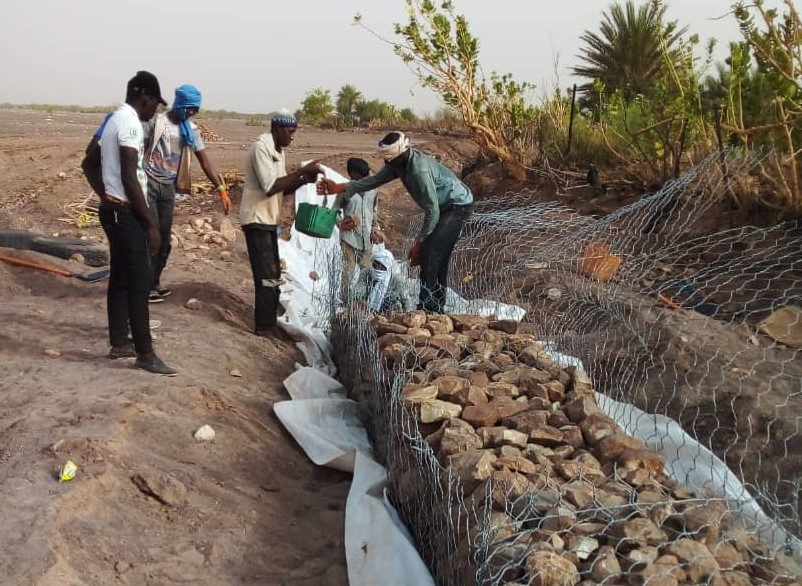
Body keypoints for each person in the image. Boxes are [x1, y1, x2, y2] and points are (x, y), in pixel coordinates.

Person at [81, 71, 177, 376]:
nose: (155, 111)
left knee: (121, 276)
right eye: (155, 104)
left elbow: (88, 162)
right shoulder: (131, 124)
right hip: (125, 213)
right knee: (139, 280)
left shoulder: (113, 119)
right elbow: (129, 177)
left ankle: (120, 342)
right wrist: (150, 224)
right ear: (144, 97)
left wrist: (106, 195)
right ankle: (146, 354)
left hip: (113, 209)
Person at [318, 131, 474, 313]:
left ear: (399, 155)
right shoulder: (398, 164)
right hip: (444, 206)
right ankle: (435, 305)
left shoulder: (419, 170)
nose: (387, 163)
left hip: (457, 205)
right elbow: (373, 181)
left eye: (389, 159)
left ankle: (429, 308)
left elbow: (433, 211)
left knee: (431, 252)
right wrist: (340, 187)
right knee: (436, 254)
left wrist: (419, 242)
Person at [144, 84, 231, 302]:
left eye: (195, 109)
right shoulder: (157, 122)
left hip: (168, 188)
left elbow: (205, 162)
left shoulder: (190, 130)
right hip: (149, 183)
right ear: (180, 104)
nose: (192, 112)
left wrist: (221, 190)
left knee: (165, 240)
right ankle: (144, 287)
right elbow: (139, 148)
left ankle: (154, 281)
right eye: (190, 108)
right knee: (152, 236)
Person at [240, 112, 324, 337]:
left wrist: (303, 180)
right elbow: (270, 187)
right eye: (290, 132)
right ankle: (263, 326)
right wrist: (301, 172)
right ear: (277, 129)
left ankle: (269, 322)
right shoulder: (261, 148)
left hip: (268, 219)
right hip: (256, 218)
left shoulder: (279, 151)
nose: (292, 136)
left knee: (273, 273)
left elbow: (282, 188)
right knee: (266, 275)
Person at [333, 157, 382, 303]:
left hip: (367, 237)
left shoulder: (373, 189)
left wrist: (375, 228)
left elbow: (374, 210)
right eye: (361, 176)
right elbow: (334, 210)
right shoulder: (345, 190)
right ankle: (345, 301)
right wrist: (341, 223)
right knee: (348, 271)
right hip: (349, 238)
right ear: (352, 174)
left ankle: (365, 300)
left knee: (366, 270)